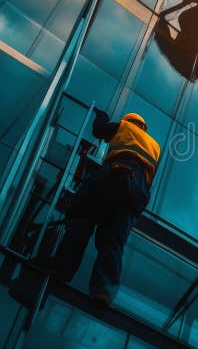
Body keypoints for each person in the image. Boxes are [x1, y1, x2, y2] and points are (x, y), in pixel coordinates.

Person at [51, 110, 160, 307]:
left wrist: (102, 117)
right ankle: (104, 292)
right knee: (113, 241)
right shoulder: (155, 146)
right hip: (138, 191)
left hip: (117, 172)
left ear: (129, 122)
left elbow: (99, 131)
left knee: (82, 219)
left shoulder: (125, 127)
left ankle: (61, 270)